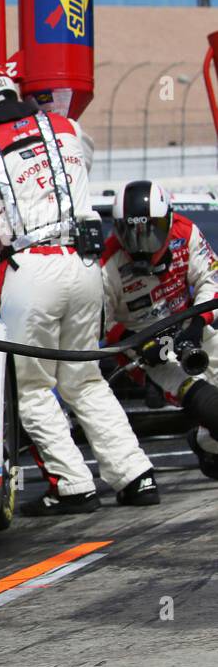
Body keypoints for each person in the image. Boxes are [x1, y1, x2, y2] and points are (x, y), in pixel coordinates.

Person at [0, 59, 157, 515]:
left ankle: (72, 486)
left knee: (32, 386)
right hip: (84, 263)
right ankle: (135, 475)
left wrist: (9, 280)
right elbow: (83, 163)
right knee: (86, 379)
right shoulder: (64, 125)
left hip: (30, 268)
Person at [104, 181, 218, 478]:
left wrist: (197, 324)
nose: (141, 243)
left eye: (150, 232)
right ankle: (204, 436)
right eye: (131, 234)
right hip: (148, 350)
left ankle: (205, 442)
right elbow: (98, 323)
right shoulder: (106, 265)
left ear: (167, 221)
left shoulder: (186, 231)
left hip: (193, 329)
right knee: (210, 405)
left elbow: (211, 281)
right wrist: (136, 344)